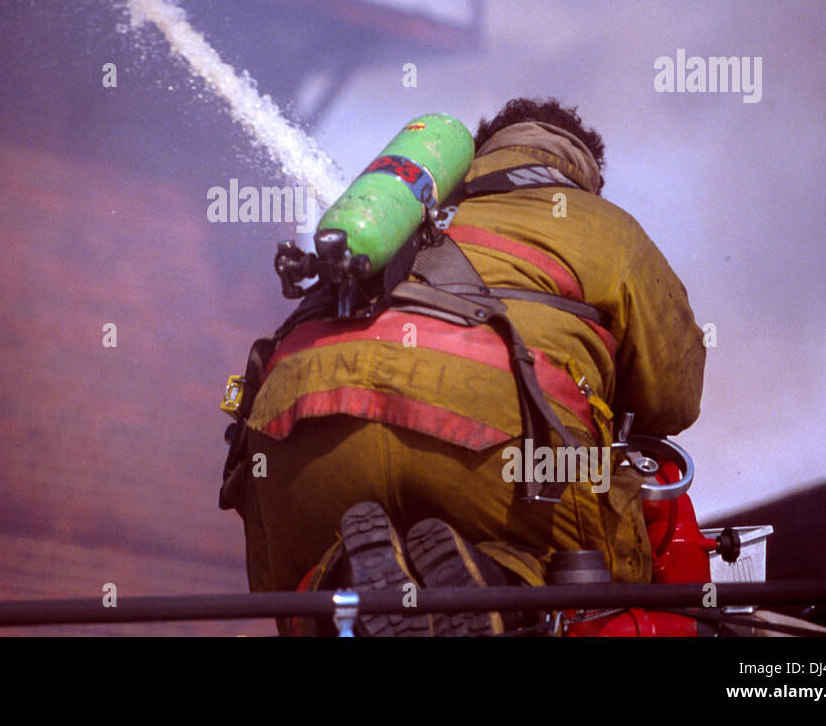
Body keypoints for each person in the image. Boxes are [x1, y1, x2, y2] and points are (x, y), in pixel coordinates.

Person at [226, 97, 706, 635]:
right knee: (576, 581)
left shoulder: (401, 218)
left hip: (298, 434)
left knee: (310, 583)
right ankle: (493, 586)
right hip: (491, 444)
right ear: (584, 175)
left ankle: (344, 582)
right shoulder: (605, 226)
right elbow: (673, 397)